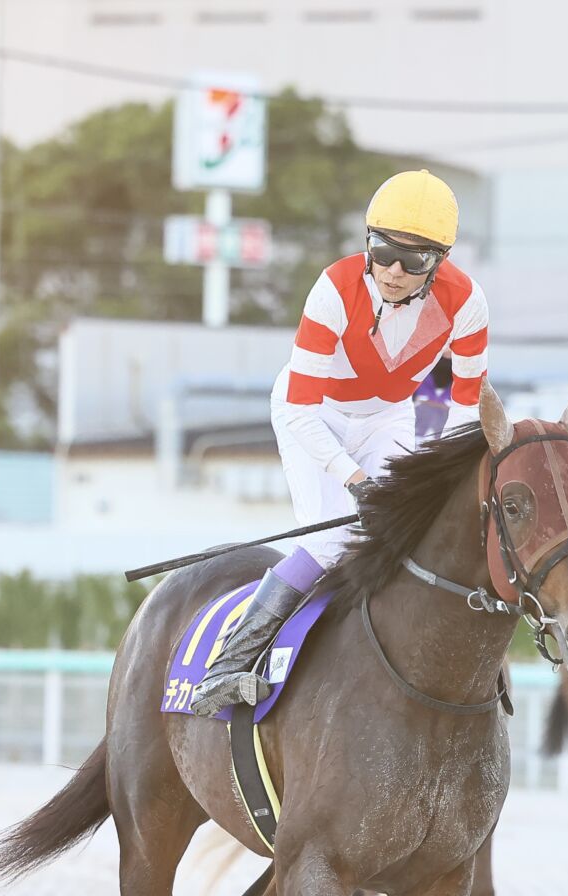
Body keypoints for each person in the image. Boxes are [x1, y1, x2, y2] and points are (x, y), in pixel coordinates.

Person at [190, 170, 491, 716]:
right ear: (367, 241)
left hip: (386, 416)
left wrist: (438, 483)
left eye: (415, 260)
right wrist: (357, 480)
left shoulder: (468, 303)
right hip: (313, 415)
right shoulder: (333, 287)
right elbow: (303, 409)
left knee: (410, 534)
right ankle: (230, 664)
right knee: (331, 542)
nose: (394, 271)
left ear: (439, 263)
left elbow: (466, 413)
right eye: (383, 250)